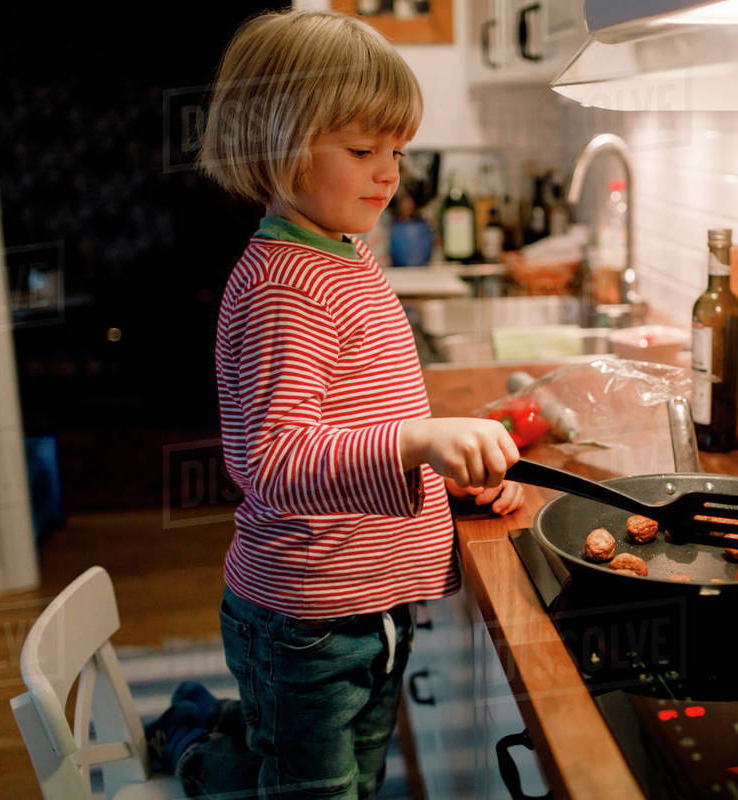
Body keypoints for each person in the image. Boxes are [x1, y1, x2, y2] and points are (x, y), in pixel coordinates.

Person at [142, 10, 524, 798]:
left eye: (396, 151)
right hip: (306, 621)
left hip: (370, 607)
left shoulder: (343, 253)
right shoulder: (283, 287)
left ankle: (218, 726)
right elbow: (273, 462)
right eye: (361, 151)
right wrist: (419, 443)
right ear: (276, 144)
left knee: (354, 773)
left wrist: (443, 474)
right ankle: (191, 743)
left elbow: (357, 425)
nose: (389, 174)